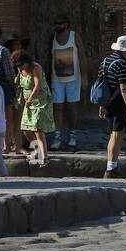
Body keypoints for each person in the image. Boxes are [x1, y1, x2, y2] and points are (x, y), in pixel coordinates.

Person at [96, 35, 126, 178]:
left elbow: (102, 85)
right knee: (117, 135)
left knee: (112, 135)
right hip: (120, 103)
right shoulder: (122, 64)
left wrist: (102, 105)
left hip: (108, 102)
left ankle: (111, 164)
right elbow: (124, 89)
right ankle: (111, 169)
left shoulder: (105, 61)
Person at [48, 14, 86, 152]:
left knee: (72, 107)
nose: (58, 25)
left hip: (73, 79)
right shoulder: (52, 38)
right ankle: (57, 136)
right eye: (56, 23)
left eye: (60, 23)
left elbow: (81, 56)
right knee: (57, 107)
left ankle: (73, 135)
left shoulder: (74, 36)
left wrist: (85, 76)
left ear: (67, 24)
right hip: (57, 79)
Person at [14, 50, 55, 164]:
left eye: (21, 65)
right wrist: (19, 73)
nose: (21, 67)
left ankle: (44, 157)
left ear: (26, 62)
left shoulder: (35, 67)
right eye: (18, 66)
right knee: (26, 128)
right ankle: (38, 150)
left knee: (37, 128)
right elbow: (17, 82)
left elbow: (37, 85)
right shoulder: (21, 69)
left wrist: (31, 98)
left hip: (40, 101)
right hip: (28, 102)